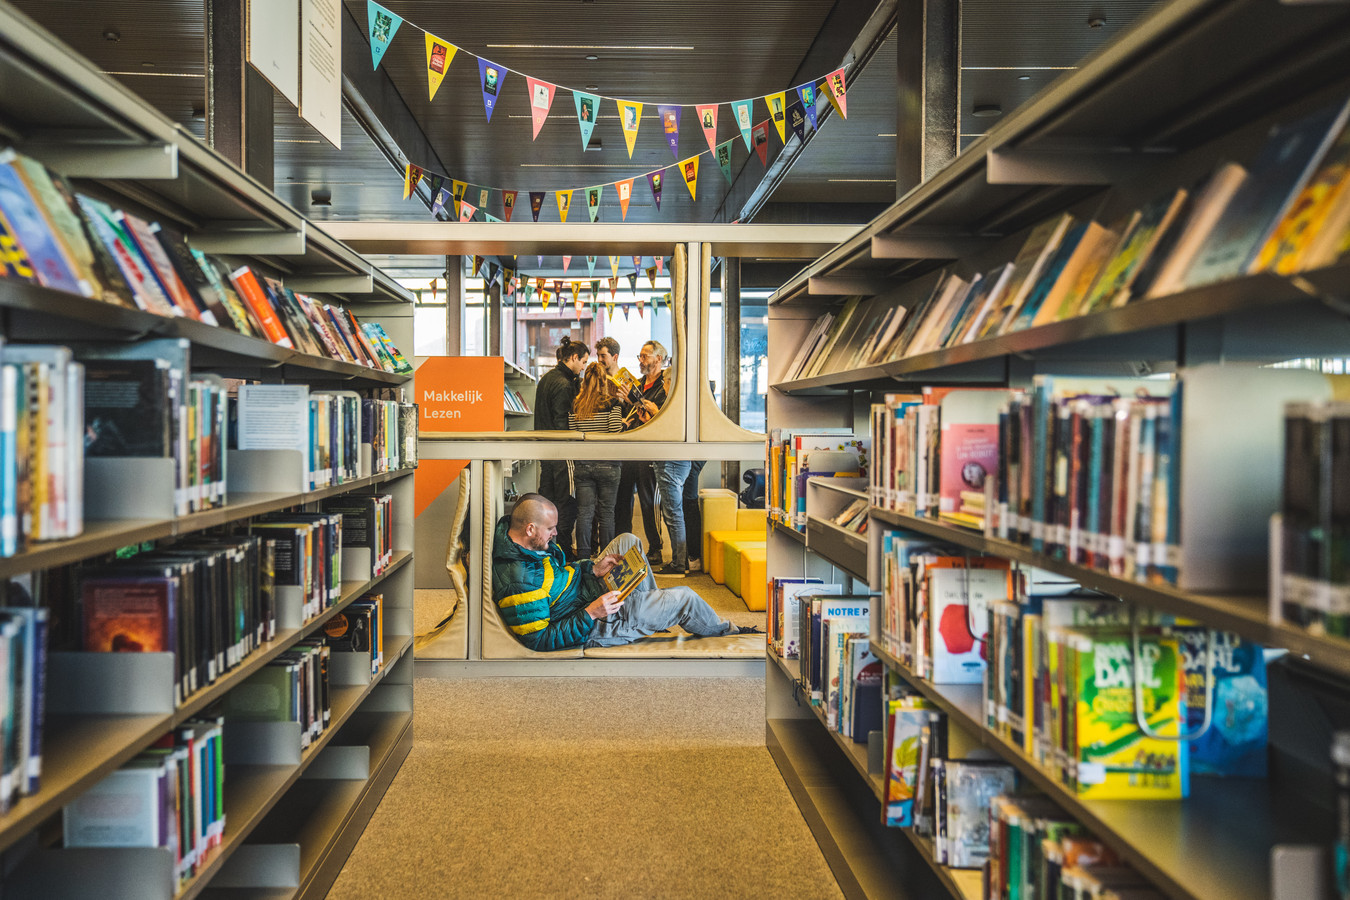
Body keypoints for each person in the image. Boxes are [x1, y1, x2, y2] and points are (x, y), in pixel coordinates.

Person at [492, 494, 758, 651]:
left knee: (629, 540)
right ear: (529, 529)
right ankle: (729, 632)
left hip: (584, 595)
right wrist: (591, 612)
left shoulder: (526, 543)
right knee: (685, 598)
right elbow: (539, 639)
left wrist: (591, 569)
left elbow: (558, 579)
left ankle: (651, 614)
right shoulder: (520, 582)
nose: (556, 534)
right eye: (551, 528)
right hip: (592, 625)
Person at [632, 340, 693, 576]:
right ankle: (679, 561)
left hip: (670, 461)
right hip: (671, 461)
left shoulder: (673, 405)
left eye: (667, 382)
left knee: (673, 514)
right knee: (672, 513)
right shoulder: (674, 404)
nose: (665, 386)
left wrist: (655, 414)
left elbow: (670, 431)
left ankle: (678, 564)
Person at [534, 339, 589, 559]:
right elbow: (563, 422)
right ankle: (565, 552)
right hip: (561, 452)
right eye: (583, 361)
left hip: (544, 450)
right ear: (573, 357)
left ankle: (542, 548)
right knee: (566, 503)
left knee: (545, 501)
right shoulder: (565, 385)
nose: (584, 366)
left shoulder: (547, 378)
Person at [568, 362, 624, 559]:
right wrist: (624, 423)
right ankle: (606, 557)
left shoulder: (576, 404)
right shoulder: (613, 403)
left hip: (583, 465)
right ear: (604, 381)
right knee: (606, 513)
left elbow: (572, 433)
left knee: (584, 513)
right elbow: (615, 431)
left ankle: (584, 557)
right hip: (608, 464)